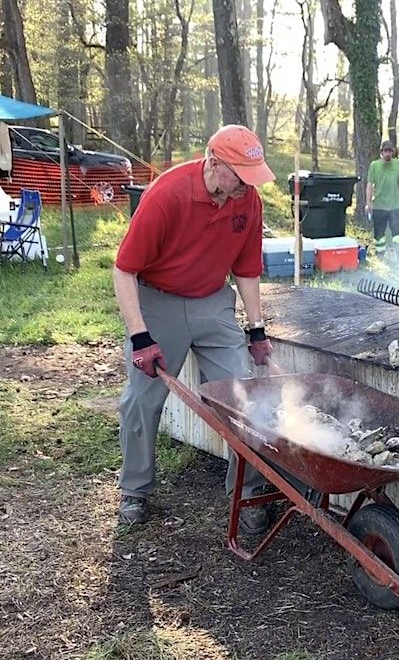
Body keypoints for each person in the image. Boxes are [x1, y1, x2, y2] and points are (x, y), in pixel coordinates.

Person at [113, 124, 277, 527]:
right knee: (142, 400)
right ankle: (135, 488)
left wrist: (256, 329)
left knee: (242, 393)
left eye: (253, 177)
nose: (248, 186)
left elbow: (247, 269)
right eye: (241, 176)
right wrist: (140, 335)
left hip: (212, 301)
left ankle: (248, 493)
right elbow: (124, 270)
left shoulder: (247, 201)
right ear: (214, 163)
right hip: (158, 301)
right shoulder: (166, 195)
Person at [366, 139, 399, 254]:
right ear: (381, 152)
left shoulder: (398, 165)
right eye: (386, 151)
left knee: (397, 233)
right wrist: (368, 203)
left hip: (395, 205)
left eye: (390, 151)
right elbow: (369, 185)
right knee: (379, 234)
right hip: (379, 205)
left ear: (393, 152)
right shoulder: (374, 165)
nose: (388, 154)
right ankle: (380, 255)